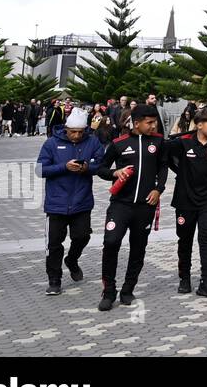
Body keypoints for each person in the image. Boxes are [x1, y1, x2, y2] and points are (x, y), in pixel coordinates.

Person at [95, 104, 167, 311]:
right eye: (149, 123)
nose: (154, 126)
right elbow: (101, 168)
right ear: (136, 123)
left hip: (145, 206)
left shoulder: (159, 142)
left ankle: (128, 290)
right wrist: (114, 173)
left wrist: (158, 189)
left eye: (155, 122)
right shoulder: (119, 144)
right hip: (120, 205)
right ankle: (108, 291)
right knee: (111, 242)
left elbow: (163, 166)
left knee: (138, 247)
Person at [164, 105, 207, 297]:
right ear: (199, 124)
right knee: (184, 240)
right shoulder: (184, 142)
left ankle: (206, 281)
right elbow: (165, 153)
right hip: (185, 200)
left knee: (206, 238)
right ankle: (184, 278)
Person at [36, 107, 106, 295]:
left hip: (82, 201)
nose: (76, 136)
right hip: (56, 203)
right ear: (66, 129)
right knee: (54, 245)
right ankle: (54, 280)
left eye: (80, 132)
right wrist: (64, 167)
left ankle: (72, 259)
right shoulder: (51, 143)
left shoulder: (92, 142)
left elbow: (102, 164)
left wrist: (87, 168)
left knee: (82, 236)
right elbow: (40, 169)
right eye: (72, 132)